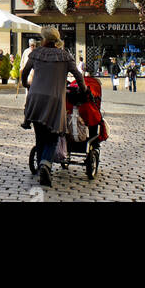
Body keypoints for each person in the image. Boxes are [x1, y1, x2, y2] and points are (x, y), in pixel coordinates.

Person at [20, 26, 88, 187]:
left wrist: (26, 84)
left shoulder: (36, 53)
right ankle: (45, 164)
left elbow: (24, 72)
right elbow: (78, 76)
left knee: (40, 134)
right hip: (55, 100)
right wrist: (84, 90)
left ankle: (42, 162)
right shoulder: (64, 56)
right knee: (53, 135)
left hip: (35, 98)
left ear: (44, 39)